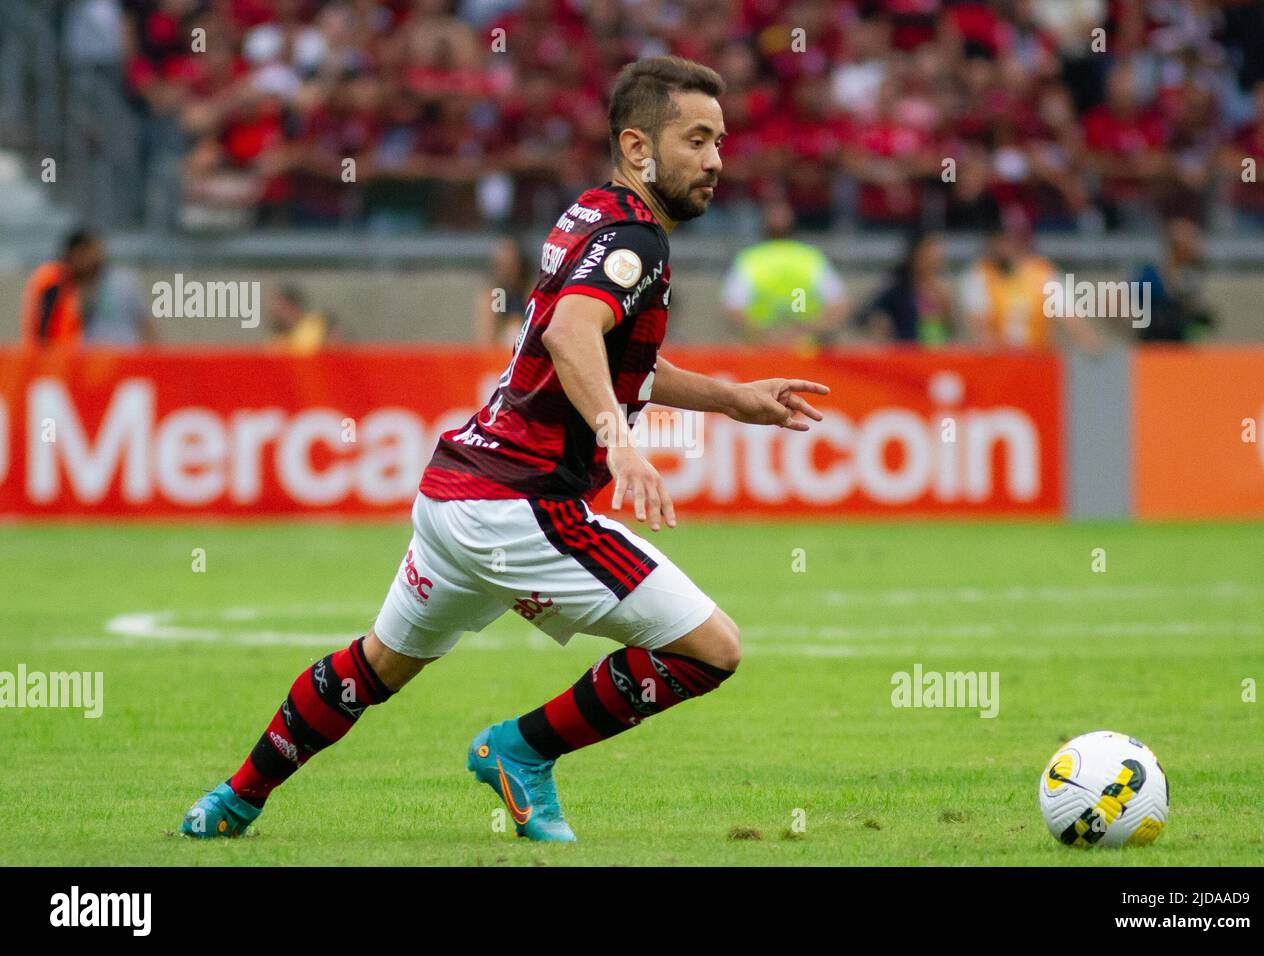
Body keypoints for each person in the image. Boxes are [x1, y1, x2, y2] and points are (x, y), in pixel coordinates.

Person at [181, 56, 829, 843]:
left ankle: (232, 799)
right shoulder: (636, 241)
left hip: (455, 496)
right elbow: (570, 332)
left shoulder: (589, 215)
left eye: (720, 141)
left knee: (376, 665)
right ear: (637, 147)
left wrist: (734, 399)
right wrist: (617, 439)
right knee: (712, 649)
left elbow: (614, 356)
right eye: (696, 140)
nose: (716, 160)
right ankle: (518, 752)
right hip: (519, 509)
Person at [960, 215, 1102, 352]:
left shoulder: (1044, 274)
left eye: (1008, 239)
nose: (1003, 246)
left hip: (1037, 359)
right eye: (999, 240)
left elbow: (1070, 317)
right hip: (999, 361)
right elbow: (979, 326)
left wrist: (1093, 346)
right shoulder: (980, 275)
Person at [721, 199, 849, 348]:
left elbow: (732, 308)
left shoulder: (750, 259)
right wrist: (803, 331)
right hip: (803, 350)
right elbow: (838, 305)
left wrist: (767, 336)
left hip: (763, 350)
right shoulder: (810, 257)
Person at [852, 231, 954, 346]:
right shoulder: (898, 285)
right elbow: (866, 313)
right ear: (916, 255)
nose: (933, 261)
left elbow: (950, 330)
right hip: (905, 352)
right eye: (928, 256)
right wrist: (879, 324)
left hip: (935, 353)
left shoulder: (942, 290)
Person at [1131, 217, 1216, 343]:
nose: (1197, 245)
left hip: (1178, 341)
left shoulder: (1192, 272)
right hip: (1154, 340)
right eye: (1191, 240)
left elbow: (1194, 309)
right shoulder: (1151, 275)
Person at [20, 229, 105, 348]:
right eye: (92, 255)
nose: (96, 262)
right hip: (49, 359)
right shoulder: (53, 277)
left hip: (63, 358)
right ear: (77, 253)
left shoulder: (71, 282)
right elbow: (43, 326)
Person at [472, 235, 531, 348]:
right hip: (501, 352)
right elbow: (486, 338)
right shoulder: (496, 295)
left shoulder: (528, 290)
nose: (505, 267)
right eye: (501, 263)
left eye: (510, 262)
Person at [267, 283, 337, 354]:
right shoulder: (279, 338)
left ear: (292, 305)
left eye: (279, 306)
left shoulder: (320, 324)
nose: (274, 311)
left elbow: (338, 349)